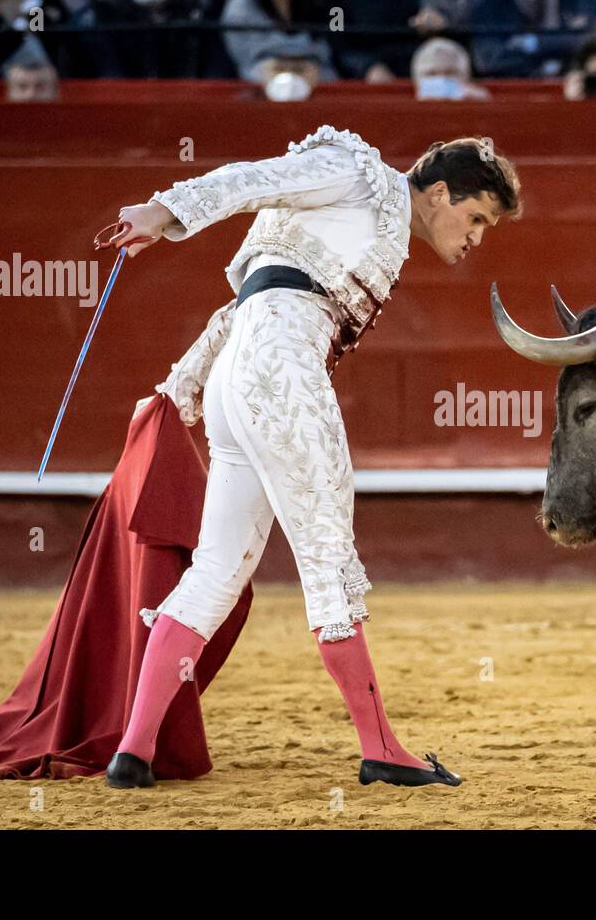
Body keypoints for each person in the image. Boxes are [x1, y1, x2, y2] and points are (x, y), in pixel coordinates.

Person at [102, 126, 521, 790]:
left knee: (216, 571)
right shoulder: (357, 173)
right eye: (476, 218)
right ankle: (381, 747)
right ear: (439, 192)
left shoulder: (361, 215)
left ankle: (135, 750)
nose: (475, 237)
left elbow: (251, 298)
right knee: (328, 562)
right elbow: (254, 175)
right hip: (286, 371)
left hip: (243, 371)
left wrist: (187, 381)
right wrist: (165, 210)